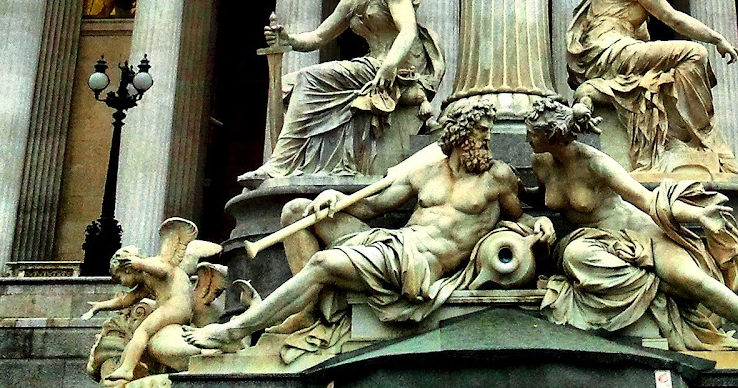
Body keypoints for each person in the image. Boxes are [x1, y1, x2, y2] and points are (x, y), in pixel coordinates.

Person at [186, 99, 521, 350]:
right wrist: (334, 196)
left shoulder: (498, 177)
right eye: (481, 133)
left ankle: (233, 331)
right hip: (392, 243)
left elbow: (519, 216)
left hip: (417, 265)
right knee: (297, 211)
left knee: (322, 263)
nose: (487, 141)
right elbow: (373, 206)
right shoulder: (426, 171)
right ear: (461, 135)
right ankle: (310, 312)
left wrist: (537, 227)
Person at [527, 98, 738, 363]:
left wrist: (699, 215)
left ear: (552, 136)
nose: (527, 138)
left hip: (640, 235)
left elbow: (647, 200)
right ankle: (654, 294)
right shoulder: (541, 161)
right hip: (594, 240)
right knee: (576, 255)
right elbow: (537, 197)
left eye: (532, 133)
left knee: (695, 282)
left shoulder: (595, 164)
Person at [254, 0, 444, 178]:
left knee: (309, 80)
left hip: (399, 67)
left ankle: (279, 165)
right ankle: (295, 163)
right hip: (372, 65)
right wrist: (288, 39)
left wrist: (390, 65)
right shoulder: (352, 1)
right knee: (287, 86)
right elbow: (318, 38)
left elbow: (408, 28)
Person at [566, 0, 738, 174]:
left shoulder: (635, 9)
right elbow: (672, 18)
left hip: (616, 52)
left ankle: (681, 136)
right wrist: (717, 39)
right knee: (694, 52)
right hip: (610, 50)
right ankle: (702, 134)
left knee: (671, 71)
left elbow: (647, 45)